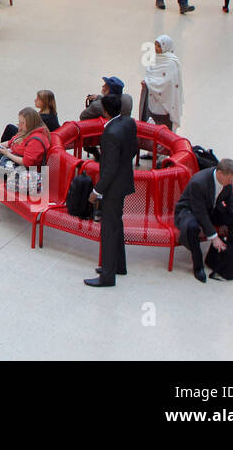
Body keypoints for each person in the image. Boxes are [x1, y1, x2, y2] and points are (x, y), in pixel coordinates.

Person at [85, 94, 138, 288]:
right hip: (124, 181)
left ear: (105, 111)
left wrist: (97, 190)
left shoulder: (110, 133)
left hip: (112, 187)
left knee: (108, 230)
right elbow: (133, 149)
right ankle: (119, 266)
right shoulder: (129, 123)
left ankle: (107, 275)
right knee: (116, 223)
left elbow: (109, 168)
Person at [174, 159, 233, 283]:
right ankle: (198, 267)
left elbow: (230, 198)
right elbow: (200, 213)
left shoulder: (226, 182)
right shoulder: (199, 182)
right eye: (230, 179)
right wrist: (214, 237)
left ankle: (230, 260)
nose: (231, 182)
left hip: (210, 209)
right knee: (192, 227)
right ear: (219, 173)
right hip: (190, 211)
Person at [140, 34, 184, 130]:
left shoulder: (172, 63)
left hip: (165, 106)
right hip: (152, 102)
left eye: (159, 46)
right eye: (155, 45)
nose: (156, 48)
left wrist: (149, 83)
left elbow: (167, 82)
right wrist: (147, 82)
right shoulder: (154, 59)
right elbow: (149, 74)